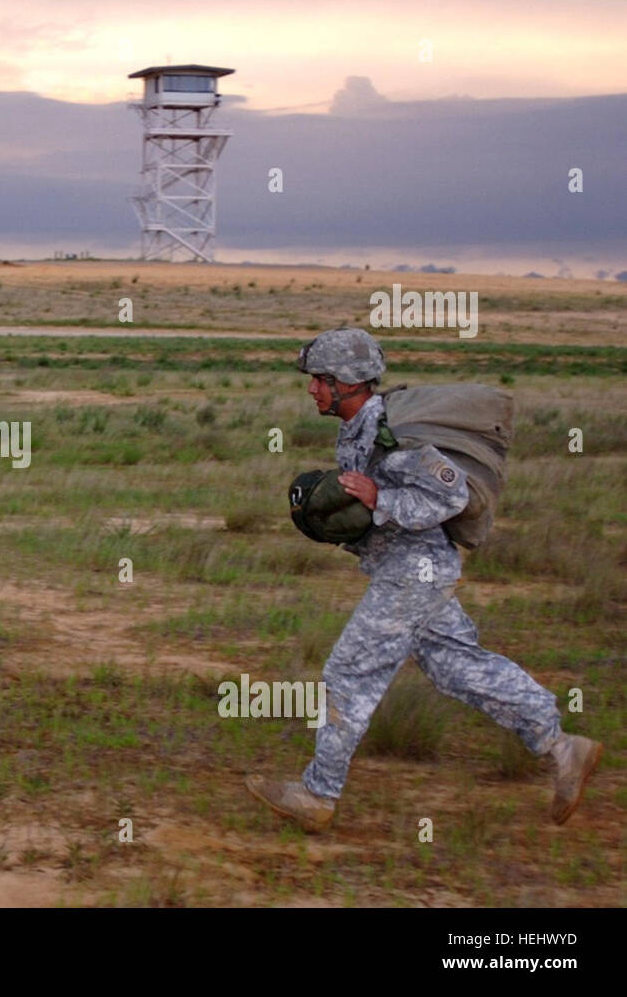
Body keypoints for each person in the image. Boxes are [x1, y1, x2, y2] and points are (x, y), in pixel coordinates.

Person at [246, 328, 599, 830]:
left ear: (348, 382)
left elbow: (450, 495)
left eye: (321, 380)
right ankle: (565, 748)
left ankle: (317, 795)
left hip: (413, 572)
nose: (312, 390)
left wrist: (379, 500)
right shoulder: (359, 429)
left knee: (348, 675)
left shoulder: (392, 433)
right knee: (456, 666)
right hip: (409, 570)